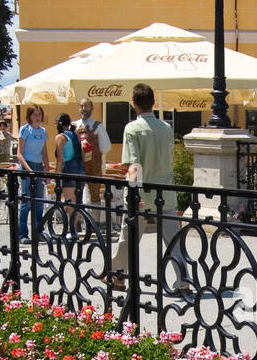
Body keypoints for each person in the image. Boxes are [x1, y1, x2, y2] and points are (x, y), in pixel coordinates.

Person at [112, 83, 184, 286]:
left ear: (134, 105)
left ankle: (118, 275)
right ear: (153, 103)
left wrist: (135, 192)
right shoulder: (167, 129)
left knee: (128, 238)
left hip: (142, 193)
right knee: (173, 240)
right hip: (166, 191)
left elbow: (134, 165)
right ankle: (183, 279)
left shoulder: (132, 129)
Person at [16, 105, 49, 242]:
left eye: (39, 114)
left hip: (38, 167)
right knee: (26, 202)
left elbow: (45, 153)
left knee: (39, 201)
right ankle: (22, 234)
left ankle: (38, 231)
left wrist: (46, 170)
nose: (37, 117)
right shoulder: (25, 129)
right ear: (29, 116)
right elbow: (19, 153)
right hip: (27, 166)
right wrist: (29, 170)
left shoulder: (43, 131)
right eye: (34, 114)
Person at [72, 98, 113, 204]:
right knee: (76, 195)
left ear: (92, 108)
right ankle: (77, 220)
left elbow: (106, 147)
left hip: (94, 166)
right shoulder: (73, 126)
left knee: (95, 195)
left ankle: (95, 220)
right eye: (81, 106)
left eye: (86, 106)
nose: (84, 109)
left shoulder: (98, 126)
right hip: (78, 166)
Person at [53, 112, 86, 206]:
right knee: (78, 203)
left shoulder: (60, 137)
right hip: (81, 169)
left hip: (69, 169)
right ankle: (77, 221)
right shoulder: (76, 135)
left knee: (70, 204)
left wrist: (56, 175)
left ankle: (71, 221)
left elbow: (60, 159)